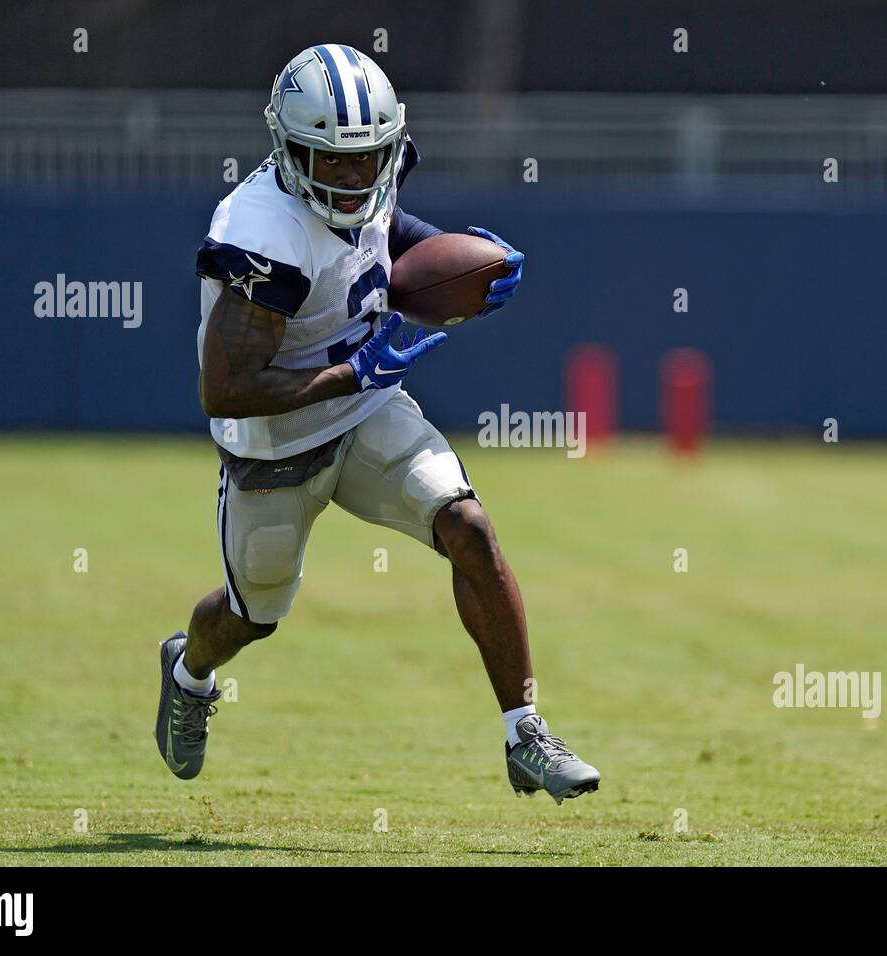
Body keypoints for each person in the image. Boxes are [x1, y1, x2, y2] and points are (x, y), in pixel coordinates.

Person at [155, 44, 600, 805]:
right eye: (333, 162)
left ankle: (525, 731)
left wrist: (455, 257)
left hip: (367, 414)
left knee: (468, 528)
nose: (355, 177)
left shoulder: (370, 169)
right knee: (249, 617)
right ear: (288, 149)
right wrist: (354, 371)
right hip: (275, 448)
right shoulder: (262, 234)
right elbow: (225, 389)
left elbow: (383, 227)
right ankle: (188, 673)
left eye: (368, 158)